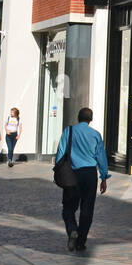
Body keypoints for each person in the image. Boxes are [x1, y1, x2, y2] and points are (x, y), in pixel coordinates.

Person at [54, 107, 109, 253]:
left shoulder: (69, 131)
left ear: (78, 117)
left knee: (68, 207)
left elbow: (61, 151)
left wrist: (57, 170)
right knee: (87, 209)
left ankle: (72, 229)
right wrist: (104, 177)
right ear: (90, 119)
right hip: (90, 174)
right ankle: (81, 242)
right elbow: (101, 157)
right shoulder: (96, 135)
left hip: (72, 174)